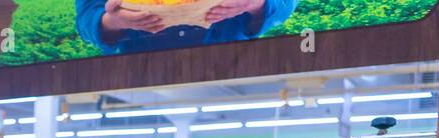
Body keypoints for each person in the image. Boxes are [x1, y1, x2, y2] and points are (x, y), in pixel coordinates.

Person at [76, 0, 297, 55]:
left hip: (230, 63)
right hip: (139, 73)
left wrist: (255, 3)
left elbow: (286, 3)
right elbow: (86, 16)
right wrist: (114, 21)